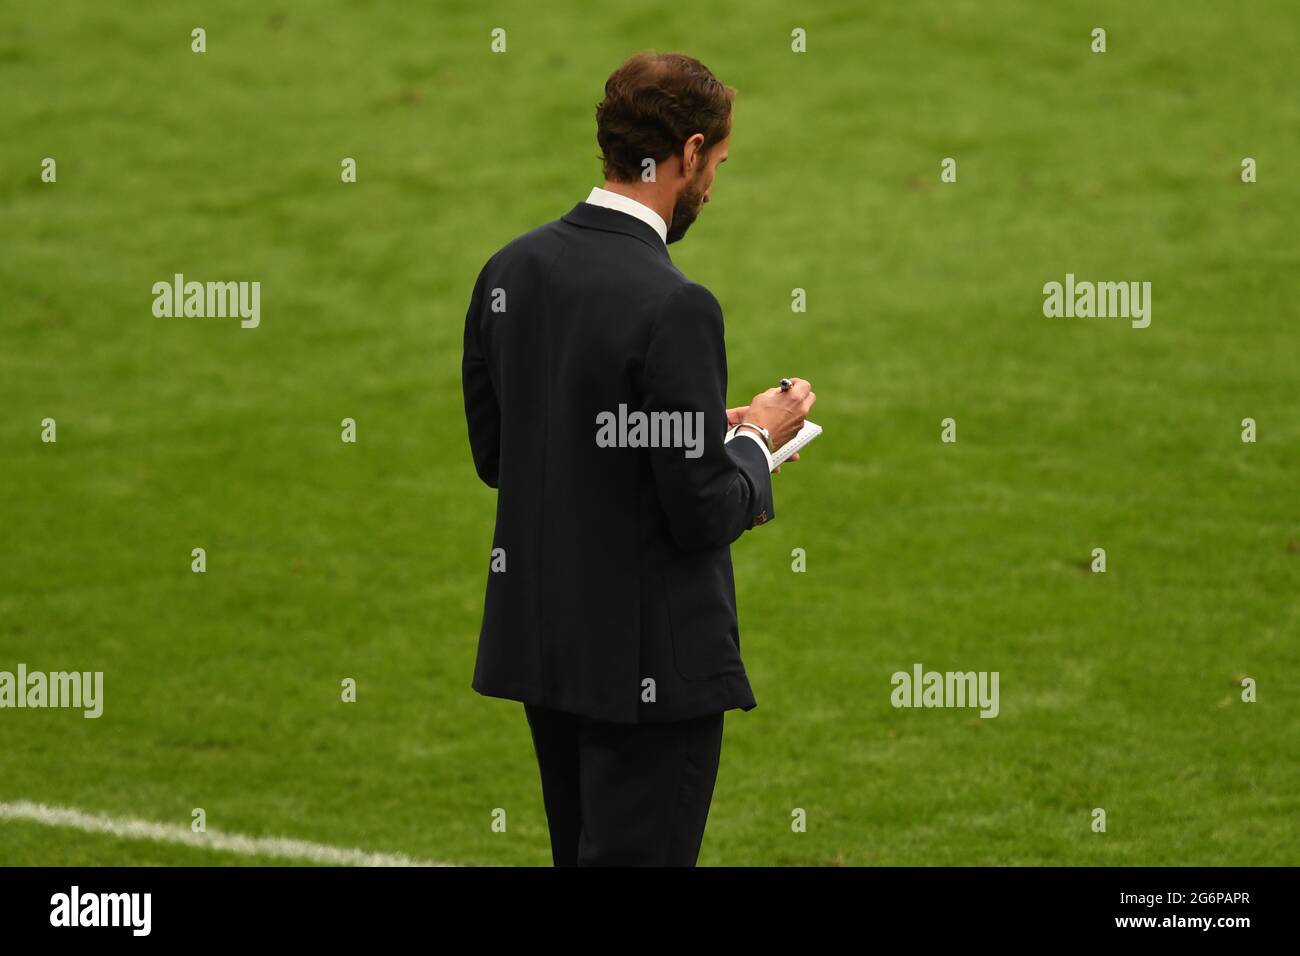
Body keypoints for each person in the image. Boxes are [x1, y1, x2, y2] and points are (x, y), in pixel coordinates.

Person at [461, 51, 816, 865]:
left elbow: (506, 453)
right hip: (650, 669)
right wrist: (756, 441)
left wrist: (687, 429)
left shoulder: (510, 270)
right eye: (717, 162)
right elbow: (702, 512)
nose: (712, 185)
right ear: (688, 153)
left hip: (550, 654)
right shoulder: (674, 304)